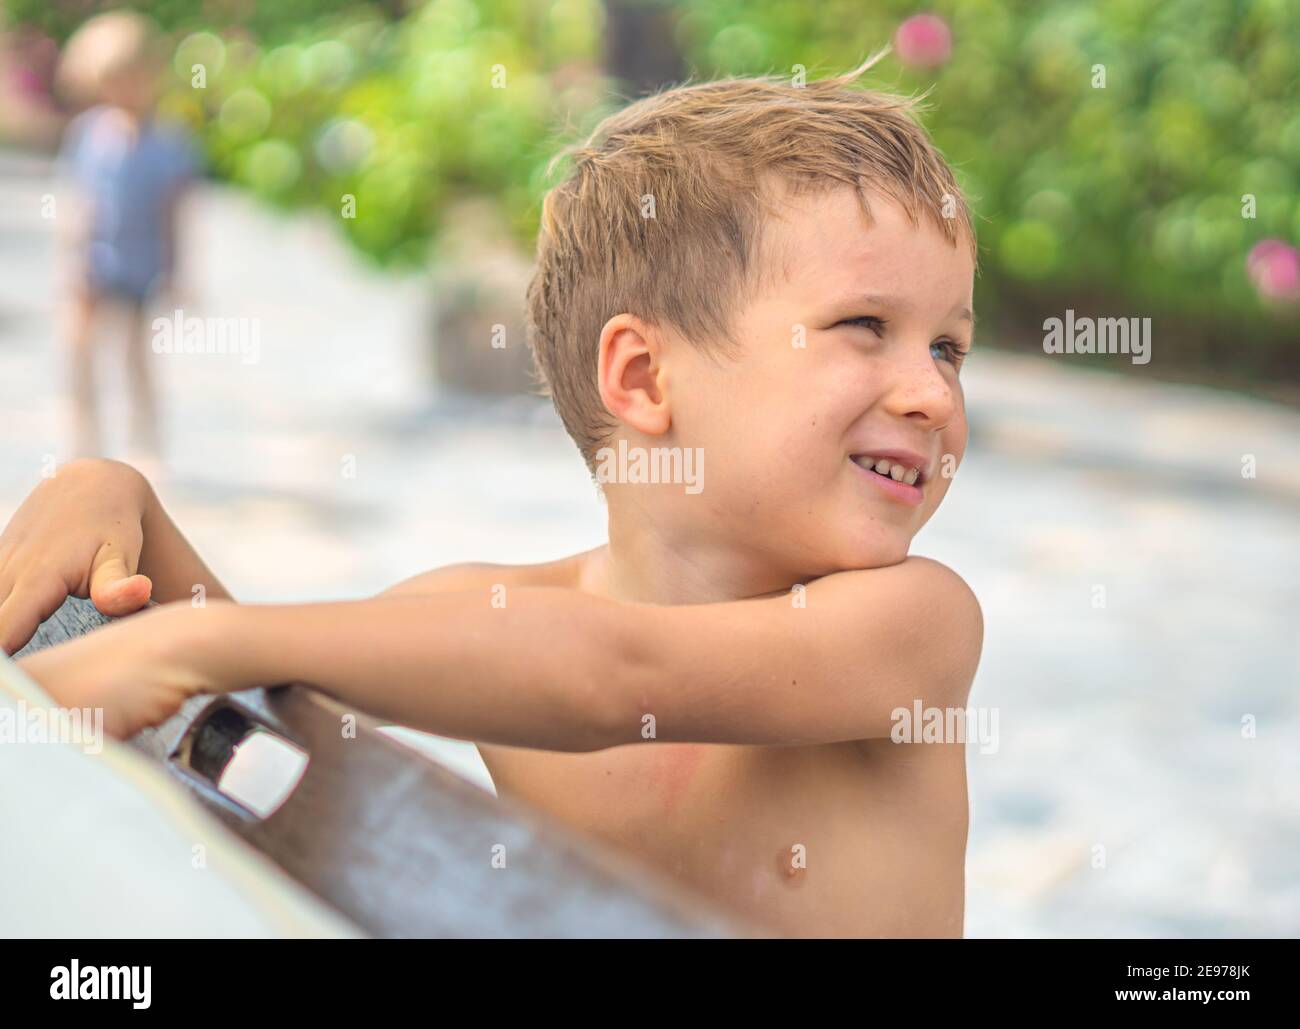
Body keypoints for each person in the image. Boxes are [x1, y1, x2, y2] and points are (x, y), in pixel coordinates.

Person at [1, 55, 982, 937]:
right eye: (864, 326)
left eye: (948, 346)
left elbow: (615, 676)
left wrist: (200, 640)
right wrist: (117, 499)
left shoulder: (910, 630)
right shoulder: (490, 619)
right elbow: (259, 693)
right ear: (642, 380)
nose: (932, 394)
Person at [54, 11, 197, 467]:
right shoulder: (89, 134)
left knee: (137, 360)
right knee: (78, 355)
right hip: (93, 263)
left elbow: (175, 215)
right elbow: (81, 204)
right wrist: (71, 258)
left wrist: (178, 272)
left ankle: (145, 446)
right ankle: (83, 444)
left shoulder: (170, 143)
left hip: (140, 268)